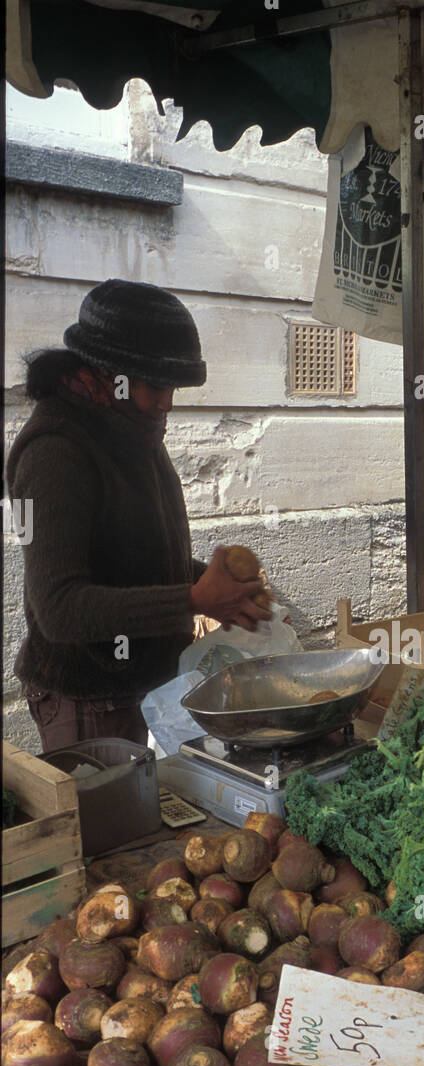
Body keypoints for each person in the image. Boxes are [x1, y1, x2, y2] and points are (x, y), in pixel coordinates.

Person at [6, 279, 270, 753]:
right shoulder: (54, 452)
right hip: (87, 700)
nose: (167, 402)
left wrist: (221, 590)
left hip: (145, 688)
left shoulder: (134, 426)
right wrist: (192, 597)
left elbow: (130, 563)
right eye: (156, 386)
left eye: (173, 387)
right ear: (110, 374)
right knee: (113, 829)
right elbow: (59, 610)